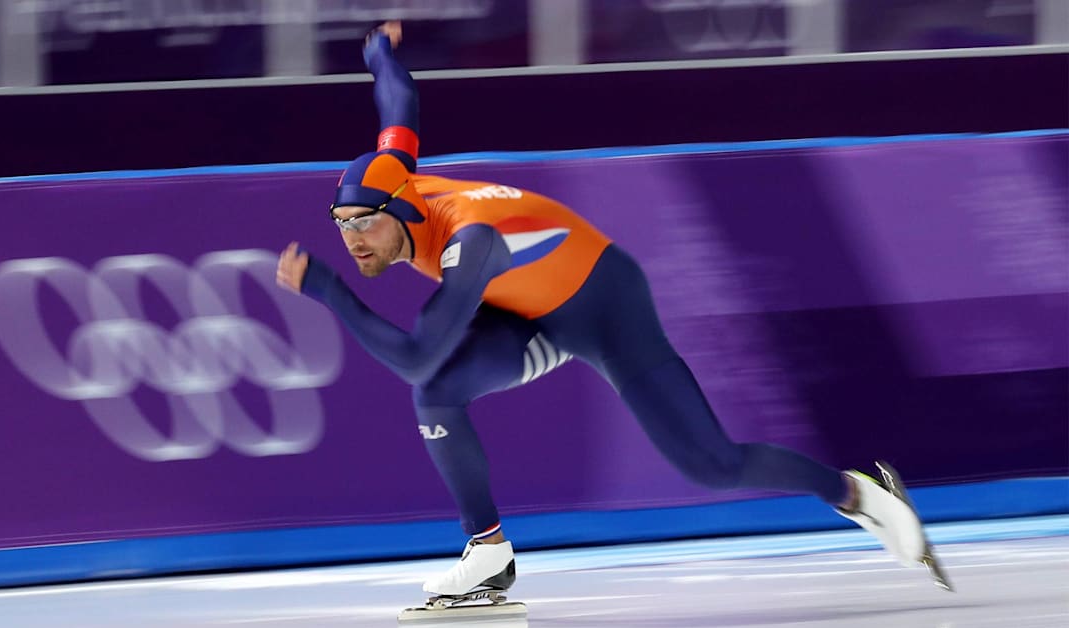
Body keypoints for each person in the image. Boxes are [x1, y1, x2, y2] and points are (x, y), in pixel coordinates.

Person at [276, 22, 943, 598]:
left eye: (364, 223)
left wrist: (330, 291)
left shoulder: (467, 239)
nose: (353, 239)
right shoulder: (395, 173)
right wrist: (379, 55)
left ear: (400, 209)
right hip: (520, 305)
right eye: (342, 224)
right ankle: (488, 553)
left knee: (712, 465)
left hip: (603, 307)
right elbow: (399, 105)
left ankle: (856, 493)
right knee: (438, 397)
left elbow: (416, 355)